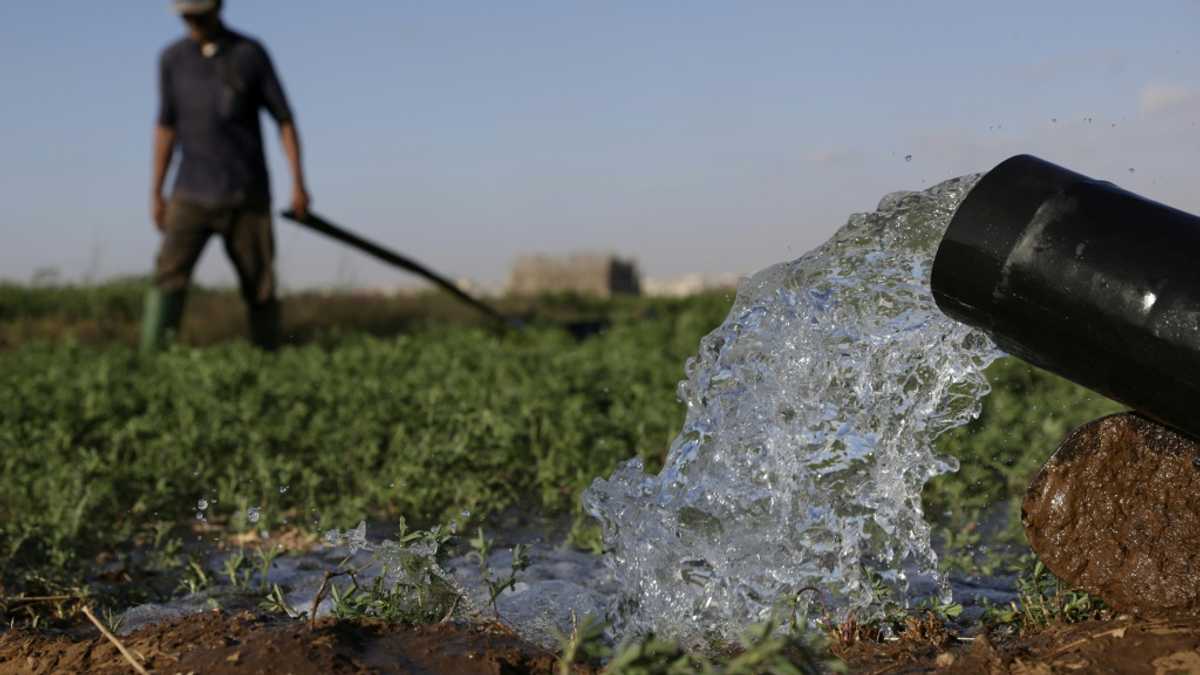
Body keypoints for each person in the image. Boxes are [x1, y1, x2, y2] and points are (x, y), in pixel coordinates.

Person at [143, 0, 310, 352]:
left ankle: (268, 362)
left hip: (246, 195)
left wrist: (299, 184)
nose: (193, 23)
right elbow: (165, 129)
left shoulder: (250, 53)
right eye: (187, 16)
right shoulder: (172, 59)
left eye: (198, 15)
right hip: (190, 193)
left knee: (260, 285)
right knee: (167, 278)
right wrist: (156, 192)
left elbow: (284, 120)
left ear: (218, 8)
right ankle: (150, 364)